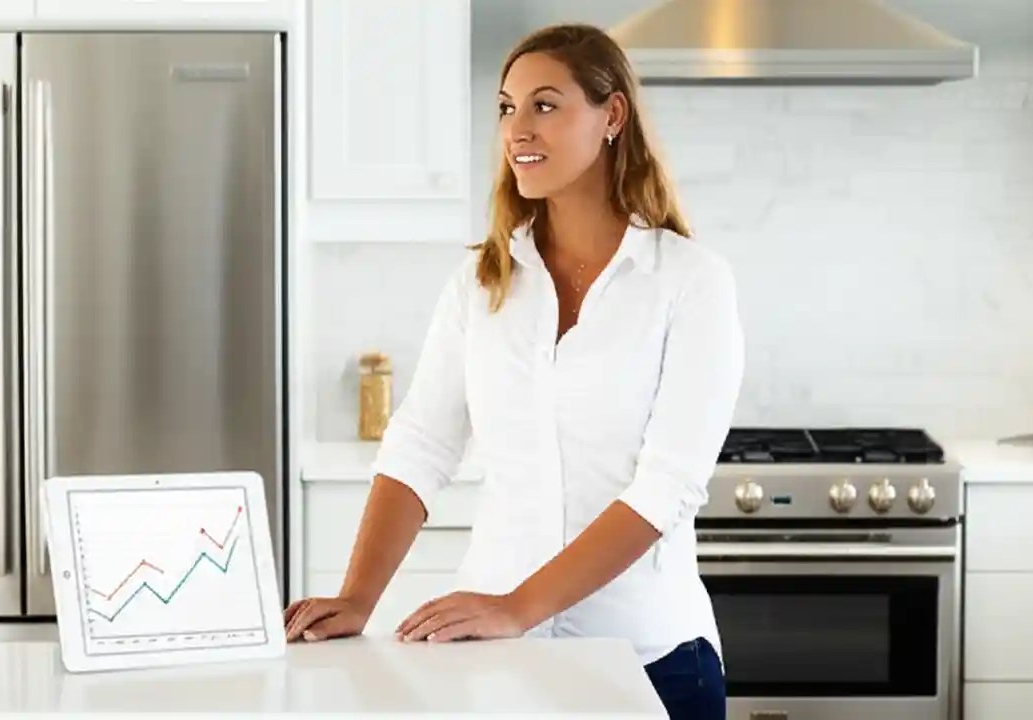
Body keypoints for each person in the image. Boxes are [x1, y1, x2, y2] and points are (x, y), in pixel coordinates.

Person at [284, 23, 744, 720]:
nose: (516, 128)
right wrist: (357, 598)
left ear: (612, 116)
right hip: (496, 666)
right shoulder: (481, 282)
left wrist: (517, 606)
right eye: (506, 107)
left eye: (545, 105)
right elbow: (421, 445)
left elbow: (667, 486)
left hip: (652, 661)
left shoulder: (689, 282)